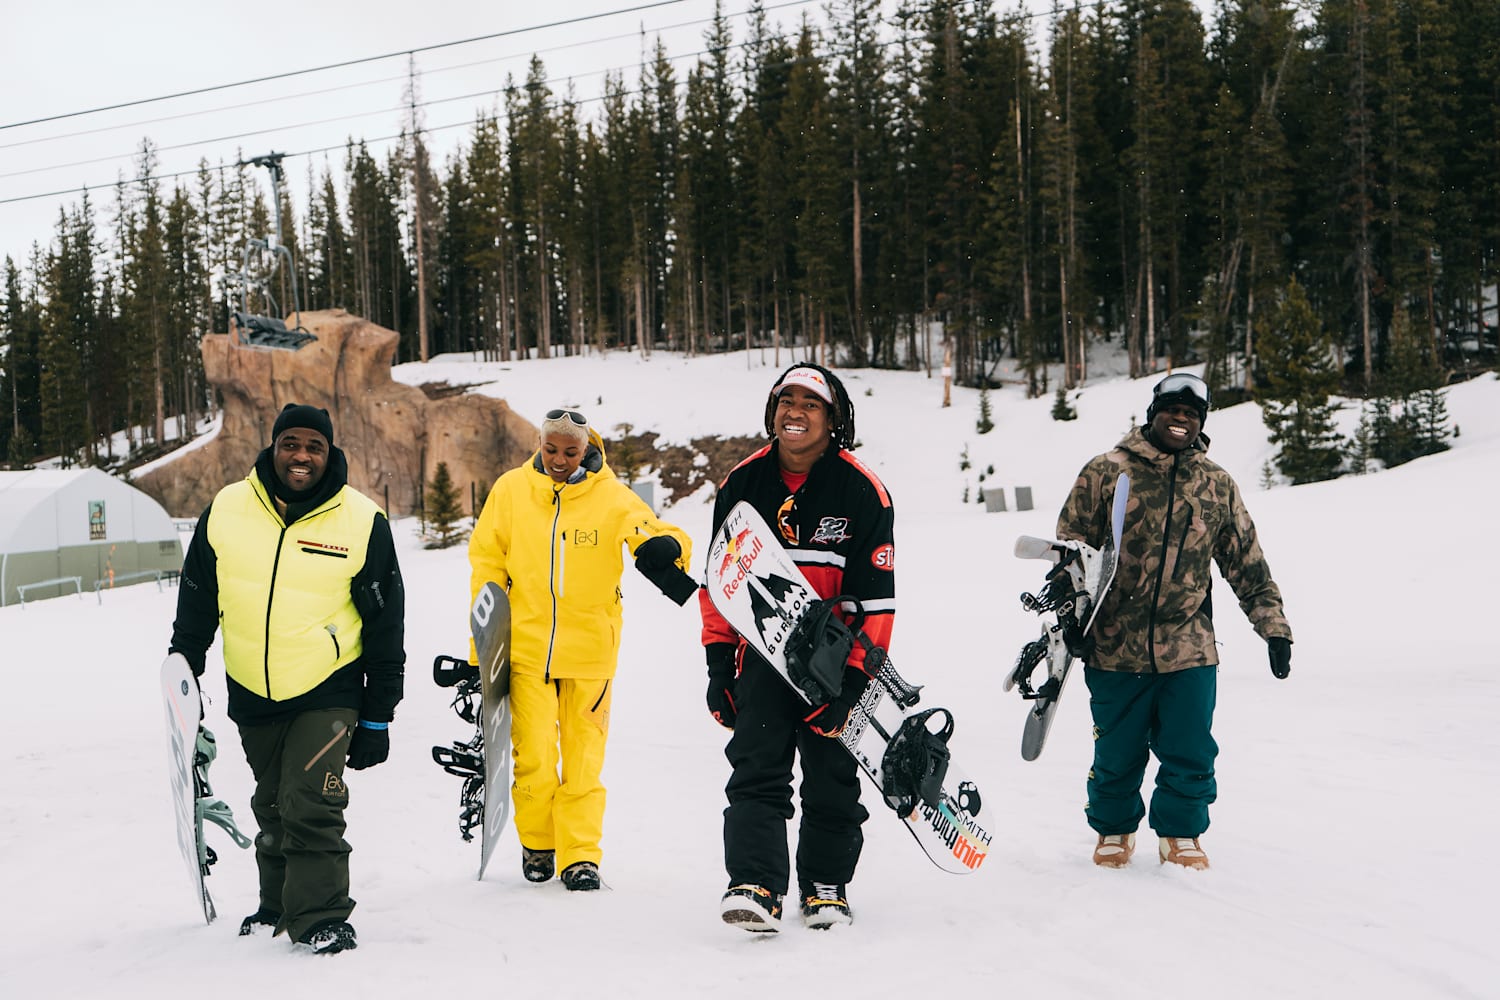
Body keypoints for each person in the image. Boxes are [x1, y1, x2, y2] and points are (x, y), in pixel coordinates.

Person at [168, 403, 405, 954]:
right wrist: (185, 663)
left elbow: (386, 622)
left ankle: (321, 915)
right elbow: (199, 594)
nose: (302, 456)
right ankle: (275, 904)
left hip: (330, 686)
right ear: (274, 446)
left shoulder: (361, 520)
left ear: (330, 453)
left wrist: (378, 714)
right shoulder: (227, 508)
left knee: (311, 800)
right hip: (252, 689)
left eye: (314, 447)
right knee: (272, 803)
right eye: (291, 444)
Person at [1055, 371, 1293, 871]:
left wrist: (1273, 626)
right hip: (1115, 644)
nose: (1180, 419)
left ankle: (1181, 834)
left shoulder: (1216, 485)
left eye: (1191, 413)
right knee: (1117, 753)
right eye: (1171, 410)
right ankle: (1115, 829)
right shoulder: (1106, 471)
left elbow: (1245, 562)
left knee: (1190, 748)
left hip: (1188, 645)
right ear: (1152, 414)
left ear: (1201, 422)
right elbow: (1070, 554)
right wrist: (1069, 617)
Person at [699, 363, 895, 932]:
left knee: (833, 776)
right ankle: (755, 883)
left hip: (837, 662)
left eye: (812, 403)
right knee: (756, 769)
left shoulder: (862, 490)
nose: (796, 412)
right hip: (762, 655)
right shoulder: (741, 483)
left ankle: (825, 885)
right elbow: (718, 580)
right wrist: (717, 664)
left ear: (834, 419)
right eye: (787, 400)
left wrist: (856, 681)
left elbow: (877, 600)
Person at [468, 407, 696, 891]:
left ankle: (579, 855)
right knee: (532, 757)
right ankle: (539, 843)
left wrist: (668, 550)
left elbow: (653, 530)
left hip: (591, 656)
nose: (558, 460)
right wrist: (482, 646)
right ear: (540, 444)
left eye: (570, 452)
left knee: (583, 761)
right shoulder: (511, 491)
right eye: (551, 450)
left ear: (587, 450)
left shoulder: (611, 497)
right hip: (527, 652)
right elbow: (487, 563)